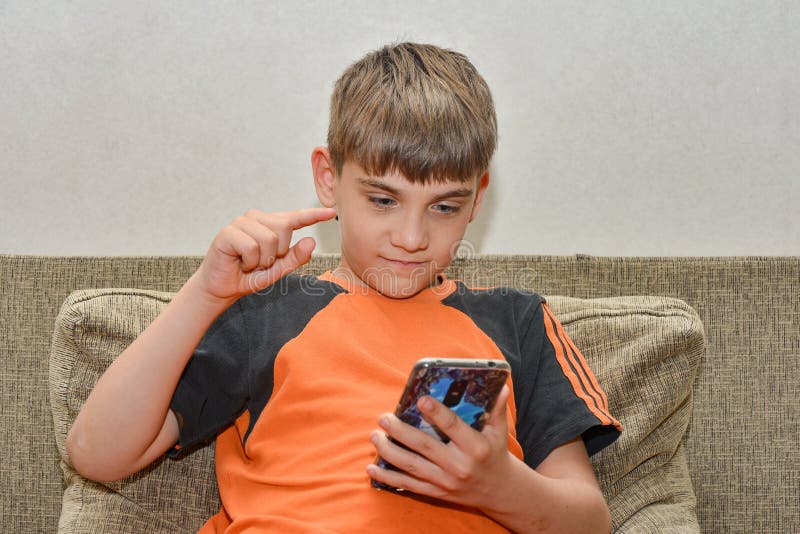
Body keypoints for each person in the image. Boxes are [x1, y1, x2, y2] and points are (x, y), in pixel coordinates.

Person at [67, 42, 621, 533]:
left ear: (478, 199)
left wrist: (498, 485)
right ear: (328, 179)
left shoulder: (518, 321)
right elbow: (96, 455)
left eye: (444, 207)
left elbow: (589, 521)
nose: (410, 238)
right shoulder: (263, 314)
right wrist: (206, 294)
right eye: (383, 200)